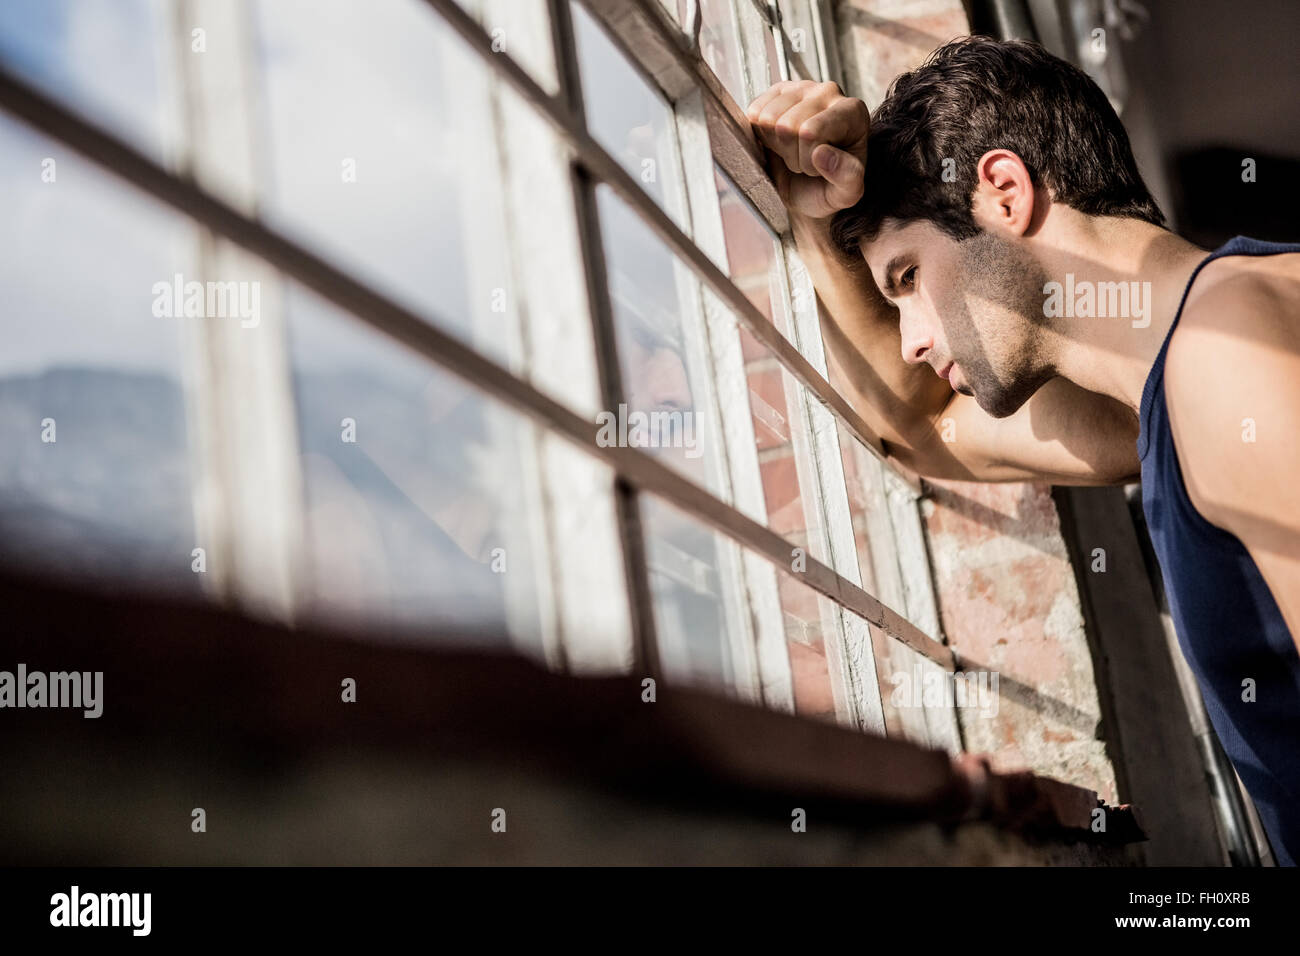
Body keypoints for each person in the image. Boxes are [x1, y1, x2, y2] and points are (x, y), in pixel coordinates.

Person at [746, 35, 1300, 865]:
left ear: (1003, 191)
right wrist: (815, 216)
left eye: (905, 280)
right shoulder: (1172, 397)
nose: (910, 342)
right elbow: (925, 430)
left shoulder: (1228, 357)